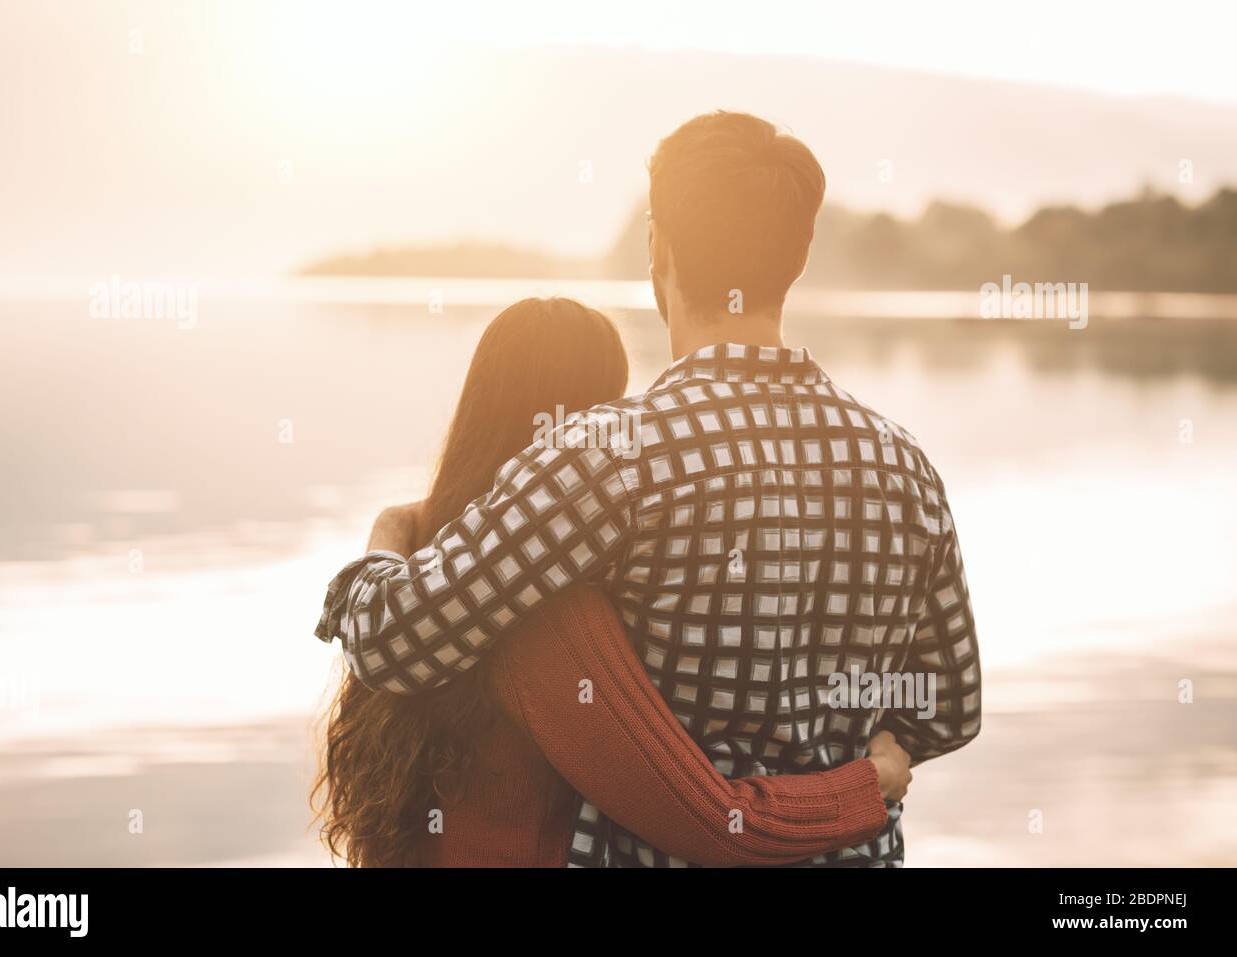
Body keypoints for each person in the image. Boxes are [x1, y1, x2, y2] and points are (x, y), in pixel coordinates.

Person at [317, 111, 981, 867]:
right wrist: (851, 754)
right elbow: (949, 710)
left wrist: (388, 538)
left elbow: (394, 639)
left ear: (660, 250)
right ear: (796, 261)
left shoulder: (606, 457)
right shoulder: (906, 467)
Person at [312, 298, 911, 867]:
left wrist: (391, 526)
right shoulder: (551, 619)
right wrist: (867, 787)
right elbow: (715, 822)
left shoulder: (424, 575)